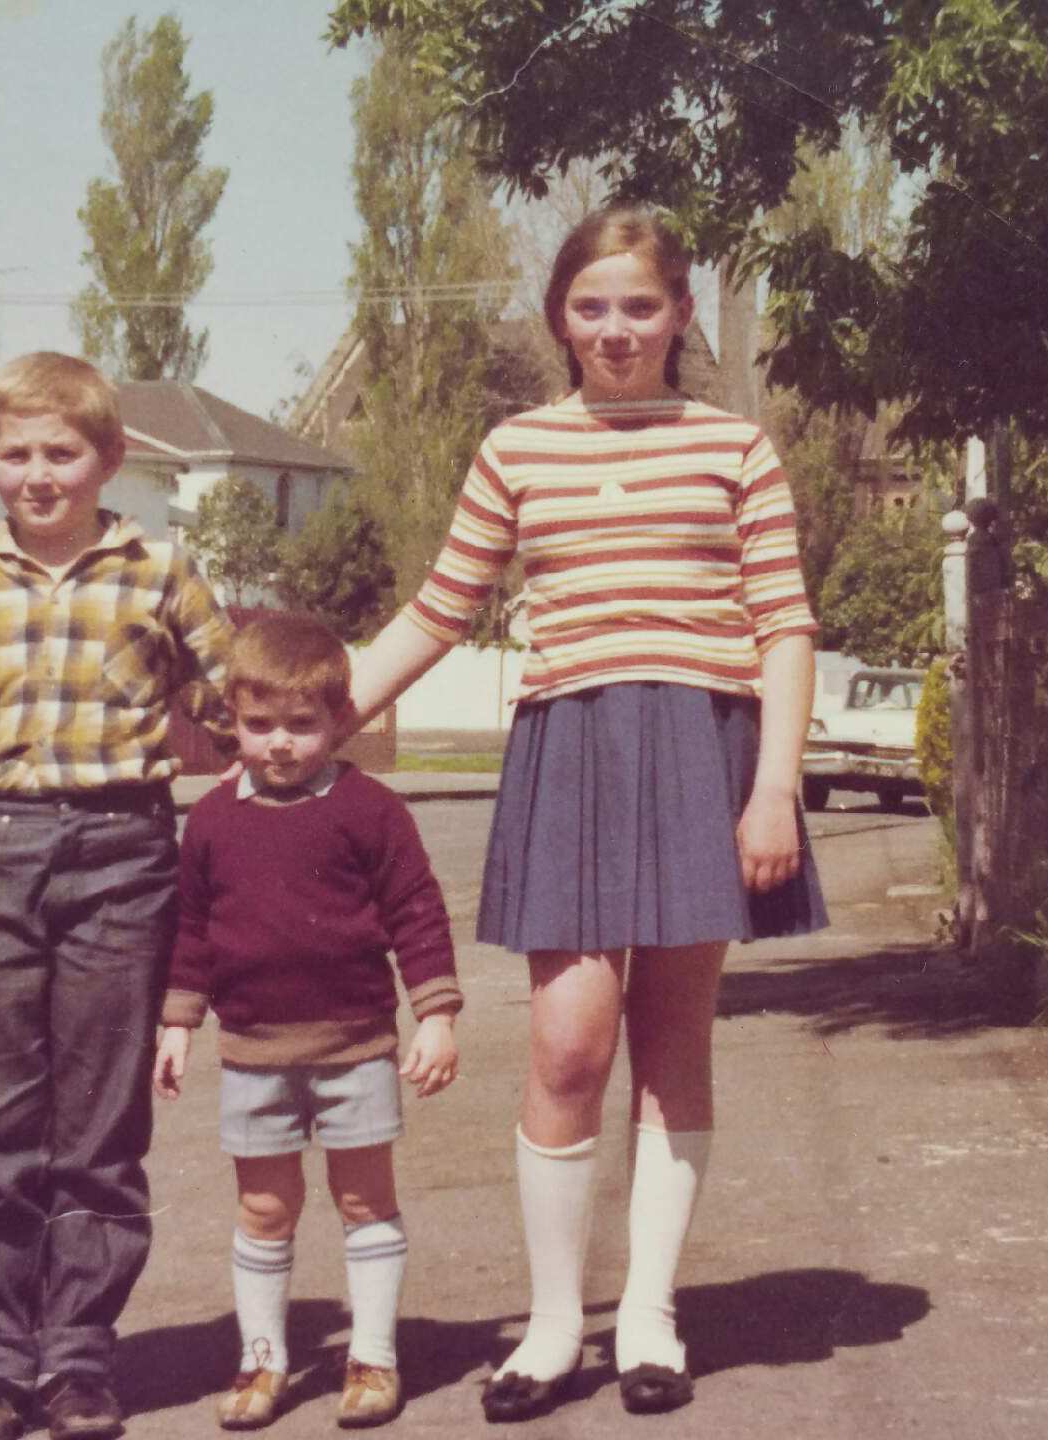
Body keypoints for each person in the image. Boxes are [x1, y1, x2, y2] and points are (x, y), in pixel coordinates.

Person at [346, 205, 827, 1422]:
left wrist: (774, 787)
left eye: (642, 306)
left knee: (674, 1045)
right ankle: (557, 1325)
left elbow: (784, 626)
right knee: (568, 1044)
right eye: (592, 306)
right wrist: (296, 708)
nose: (616, 331)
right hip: (570, 746)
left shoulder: (736, 447)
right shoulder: (517, 448)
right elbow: (436, 610)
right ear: (563, 316)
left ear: (677, 316)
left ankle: (651, 1320)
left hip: (702, 747)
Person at [0, 351, 235, 1440]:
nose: (39, 474)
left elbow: (236, 699)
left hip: (123, 855)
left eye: (62, 453)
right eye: (17, 453)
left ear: (108, 460)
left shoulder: (160, 573)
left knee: (98, 1128)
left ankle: (77, 1358)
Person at [153, 613, 461, 1432]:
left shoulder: (371, 811)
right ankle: (263, 1360)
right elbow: (191, 931)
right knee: (264, 1210)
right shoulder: (214, 820)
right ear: (233, 723)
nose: (280, 744)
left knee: (365, 1201)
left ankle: (373, 1357)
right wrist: (179, 1022)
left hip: (356, 1048)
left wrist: (435, 1013)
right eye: (259, 726)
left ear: (336, 721)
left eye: (301, 725)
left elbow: (417, 914)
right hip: (256, 1055)